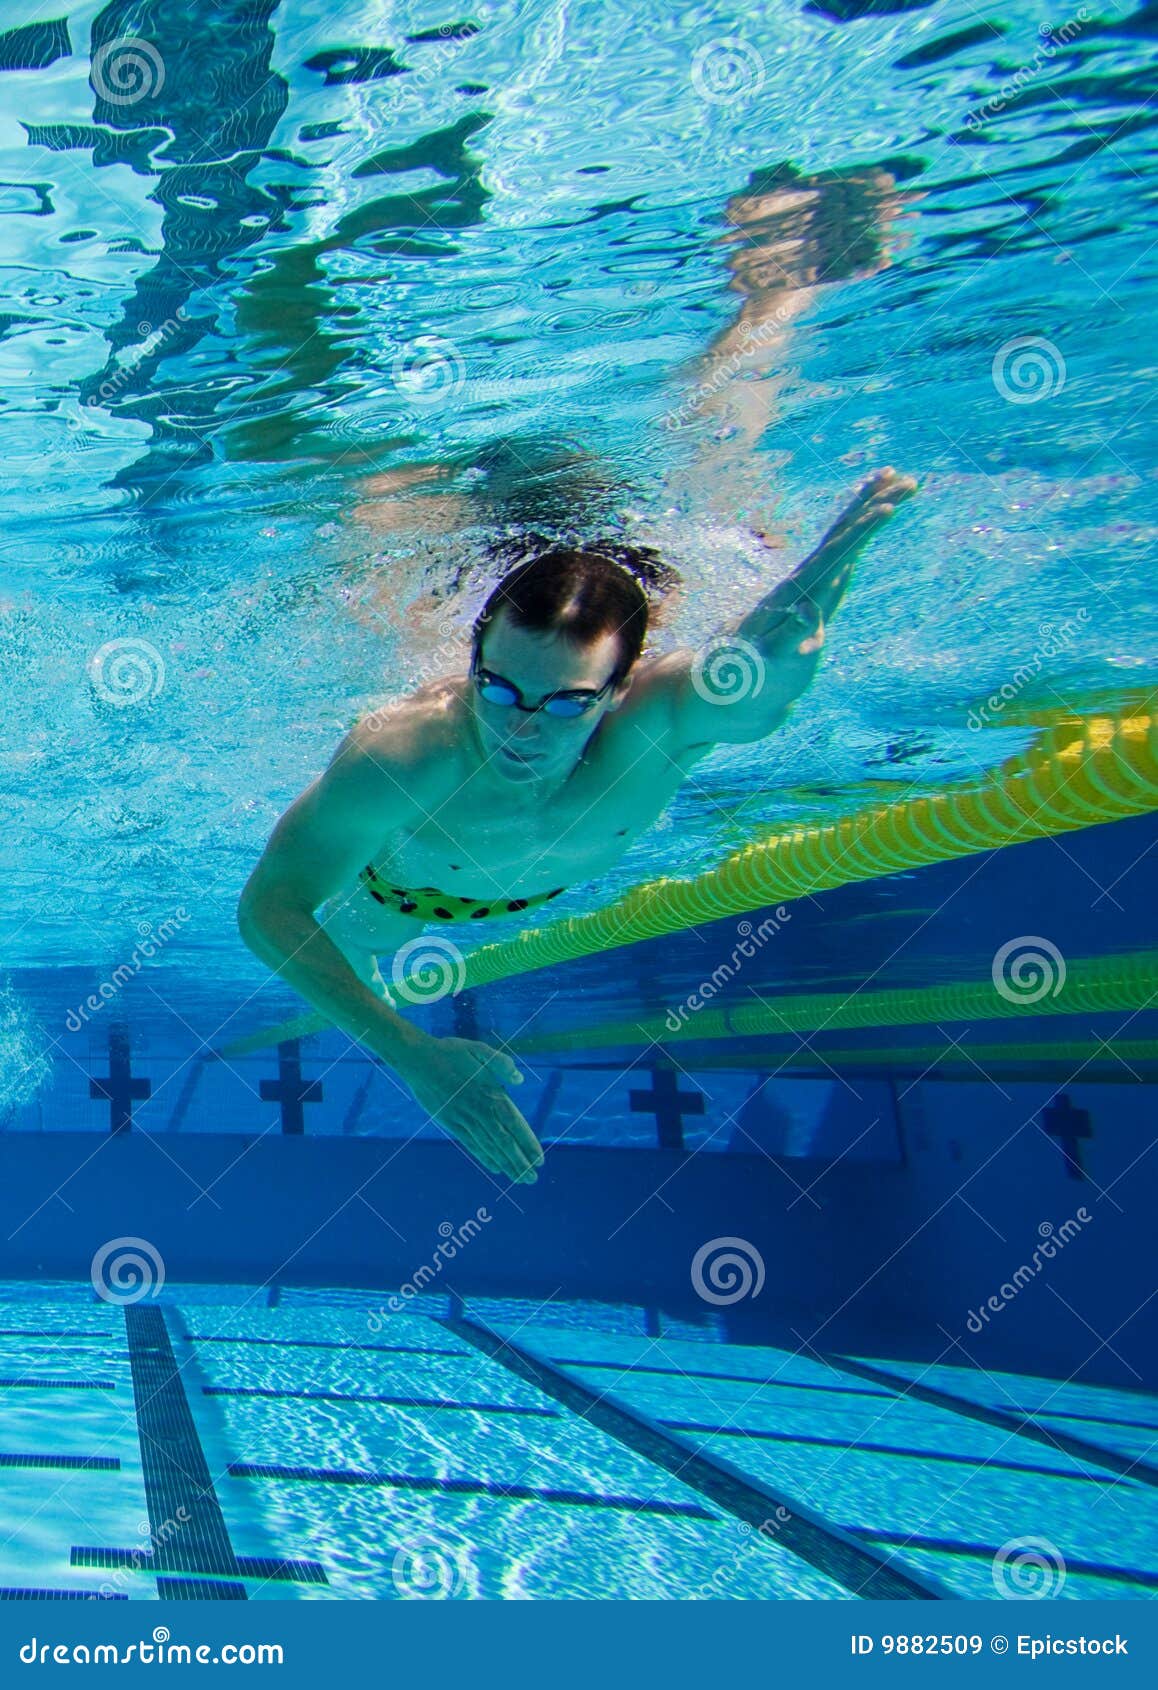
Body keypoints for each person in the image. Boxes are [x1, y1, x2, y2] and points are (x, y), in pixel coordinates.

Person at [237, 466, 917, 1185]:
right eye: (497, 688)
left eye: (566, 703)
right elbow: (270, 909)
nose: (521, 730)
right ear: (472, 660)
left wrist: (823, 575)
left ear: (622, 687)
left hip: (518, 873)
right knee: (355, 955)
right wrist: (411, 1054)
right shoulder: (405, 757)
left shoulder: (656, 721)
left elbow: (761, 679)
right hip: (402, 896)